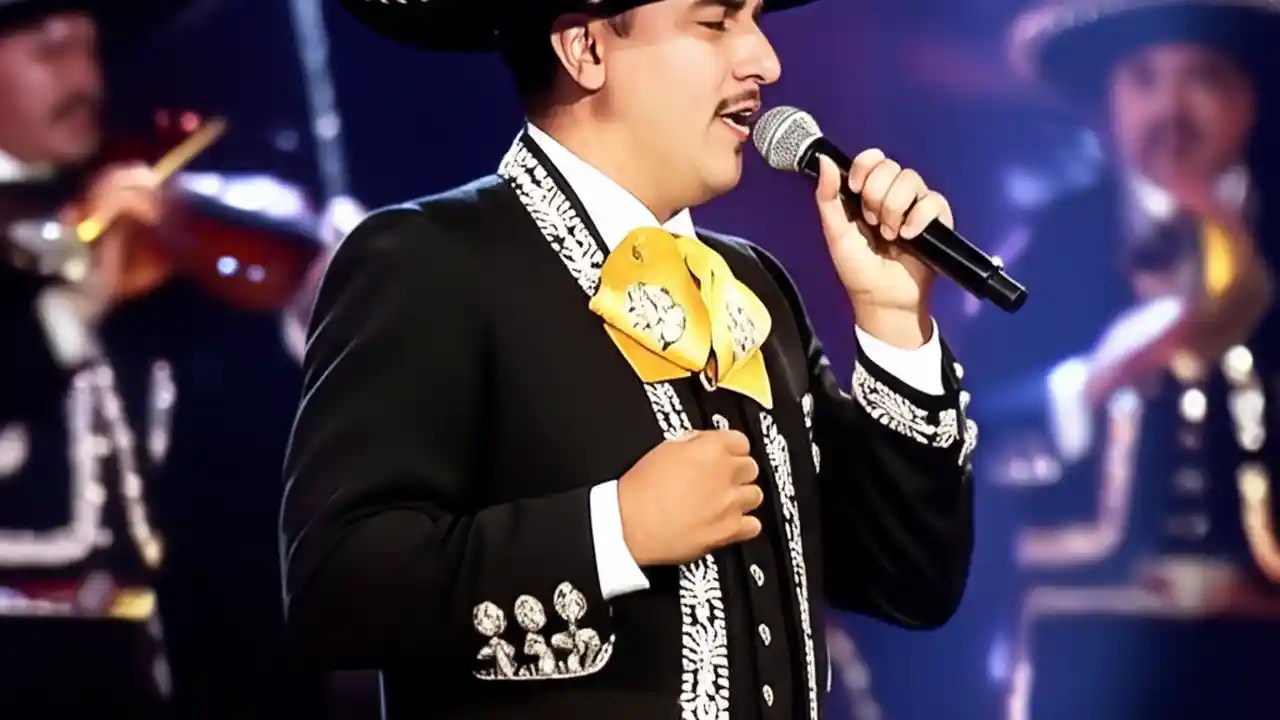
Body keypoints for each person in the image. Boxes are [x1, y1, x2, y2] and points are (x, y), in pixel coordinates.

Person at [281, 0, 979, 718]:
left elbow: (912, 584)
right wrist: (613, 531)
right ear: (584, 48)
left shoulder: (753, 285)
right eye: (716, 22)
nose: (764, 61)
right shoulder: (428, 260)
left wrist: (895, 325)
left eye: (754, 19)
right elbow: (337, 586)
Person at [0, 1, 326, 716]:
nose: (85, 77)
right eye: (51, 51)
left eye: (91, 50)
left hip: (138, 661)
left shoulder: (138, 246)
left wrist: (317, 309)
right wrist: (76, 303)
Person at [960, 0, 1280, 717]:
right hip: (1084, 640)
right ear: (1108, 102)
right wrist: (1091, 383)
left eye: (1203, 77)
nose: (1172, 106)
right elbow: (961, 420)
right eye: (1143, 78)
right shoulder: (1047, 249)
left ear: (1251, 97)